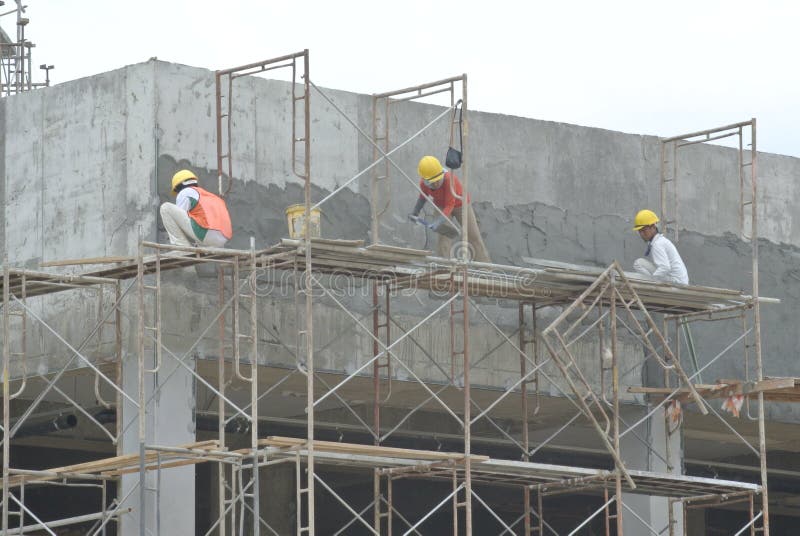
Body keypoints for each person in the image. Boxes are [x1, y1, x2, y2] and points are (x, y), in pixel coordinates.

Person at [408, 155, 491, 262]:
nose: (436, 184)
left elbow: (450, 204)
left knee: (473, 236)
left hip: (460, 204)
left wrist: (438, 221)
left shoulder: (448, 180)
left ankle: (485, 267)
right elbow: (422, 197)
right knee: (443, 239)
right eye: (432, 182)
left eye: (437, 180)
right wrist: (415, 212)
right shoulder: (423, 184)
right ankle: (445, 267)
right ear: (425, 180)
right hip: (441, 206)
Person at [159, 169, 232, 248]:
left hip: (204, 234)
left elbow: (179, 223)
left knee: (165, 208)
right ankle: (200, 245)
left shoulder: (185, 192)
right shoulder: (212, 197)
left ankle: (181, 246)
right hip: (222, 241)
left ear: (178, 186)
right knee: (198, 219)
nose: (177, 193)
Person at [632, 209, 688, 284]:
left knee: (638, 263)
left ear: (653, 227)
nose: (642, 234)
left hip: (676, 282)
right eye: (640, 231)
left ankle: (650, 284)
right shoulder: (660, 241)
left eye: (644, 230)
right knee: (640, 263)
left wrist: (653, 280)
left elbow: (665, 267)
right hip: (679, 280)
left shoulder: (657, 244)